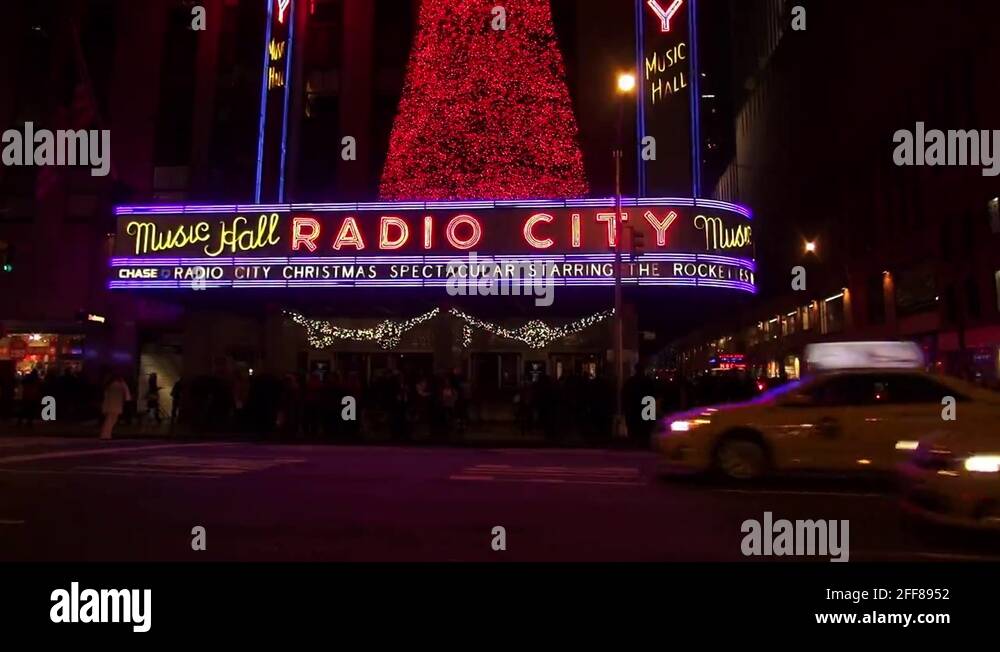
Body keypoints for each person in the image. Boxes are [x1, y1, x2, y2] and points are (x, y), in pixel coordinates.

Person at [101, 374, 131, 440]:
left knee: (111, 420)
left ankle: (106, 434)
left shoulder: (110, 385)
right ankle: (105, 435)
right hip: (114, 404)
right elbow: (127, 394)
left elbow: (106, 395)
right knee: (111, 420)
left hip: (112, 404)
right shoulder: (119, 385)